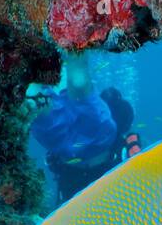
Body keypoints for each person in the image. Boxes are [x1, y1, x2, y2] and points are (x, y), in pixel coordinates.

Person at [28, 56, 141, 203]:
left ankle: (74, 51)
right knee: (40, 108)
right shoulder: (121, 133)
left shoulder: (105, 119)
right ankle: (33, 86)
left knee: (82, 100)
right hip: (70, 151)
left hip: (80, 149)